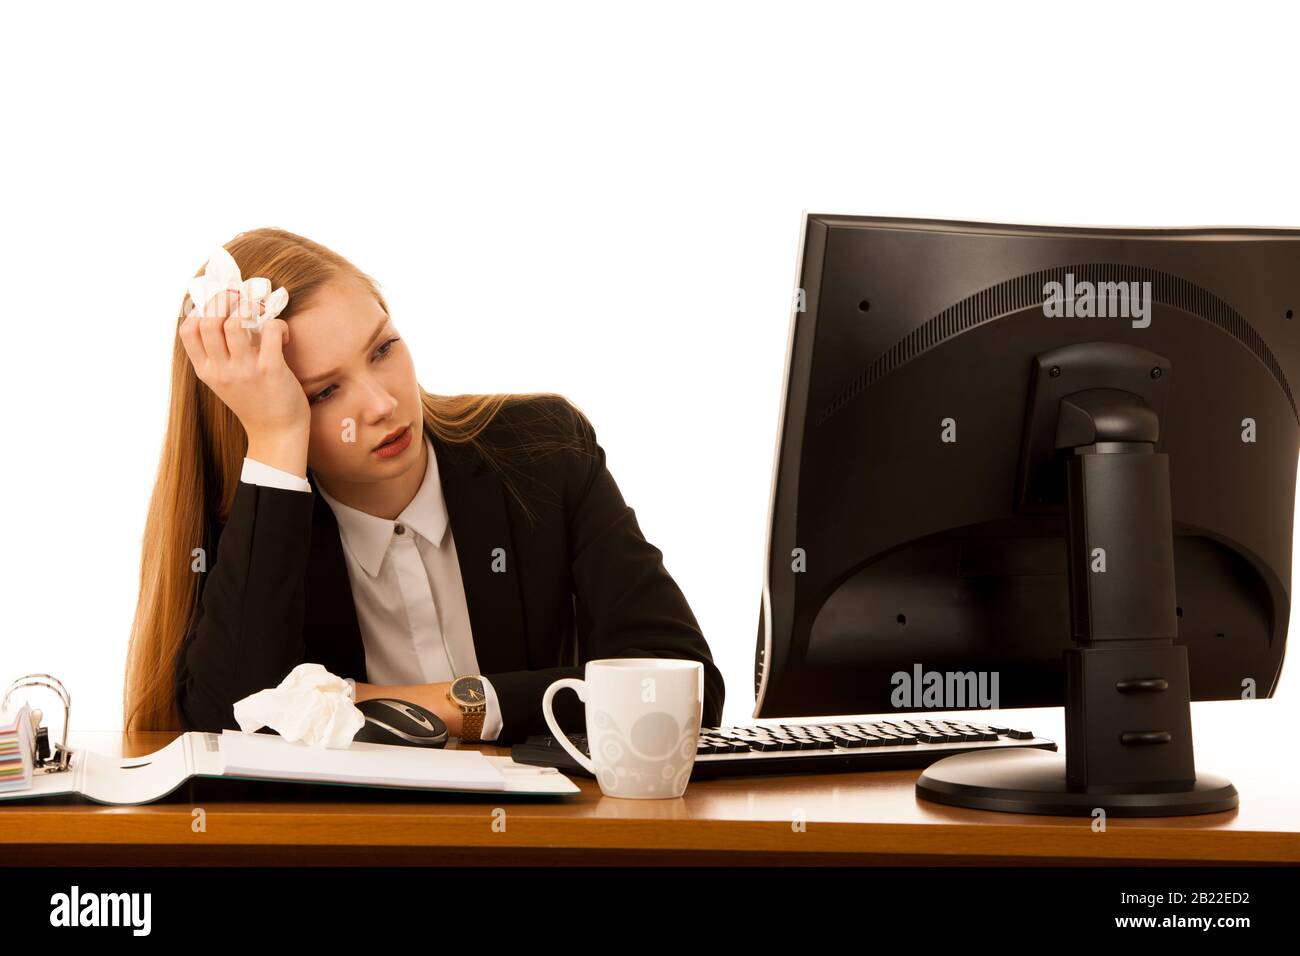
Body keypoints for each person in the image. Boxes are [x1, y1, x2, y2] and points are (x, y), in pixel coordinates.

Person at [123, 227, 725, 745]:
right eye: (323, 393)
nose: (383, 404)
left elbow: (683, 685)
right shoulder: (257, 527)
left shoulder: (544, 451)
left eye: (384, 348)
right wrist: (279, 436)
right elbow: (228, 726)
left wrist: (414, 704)